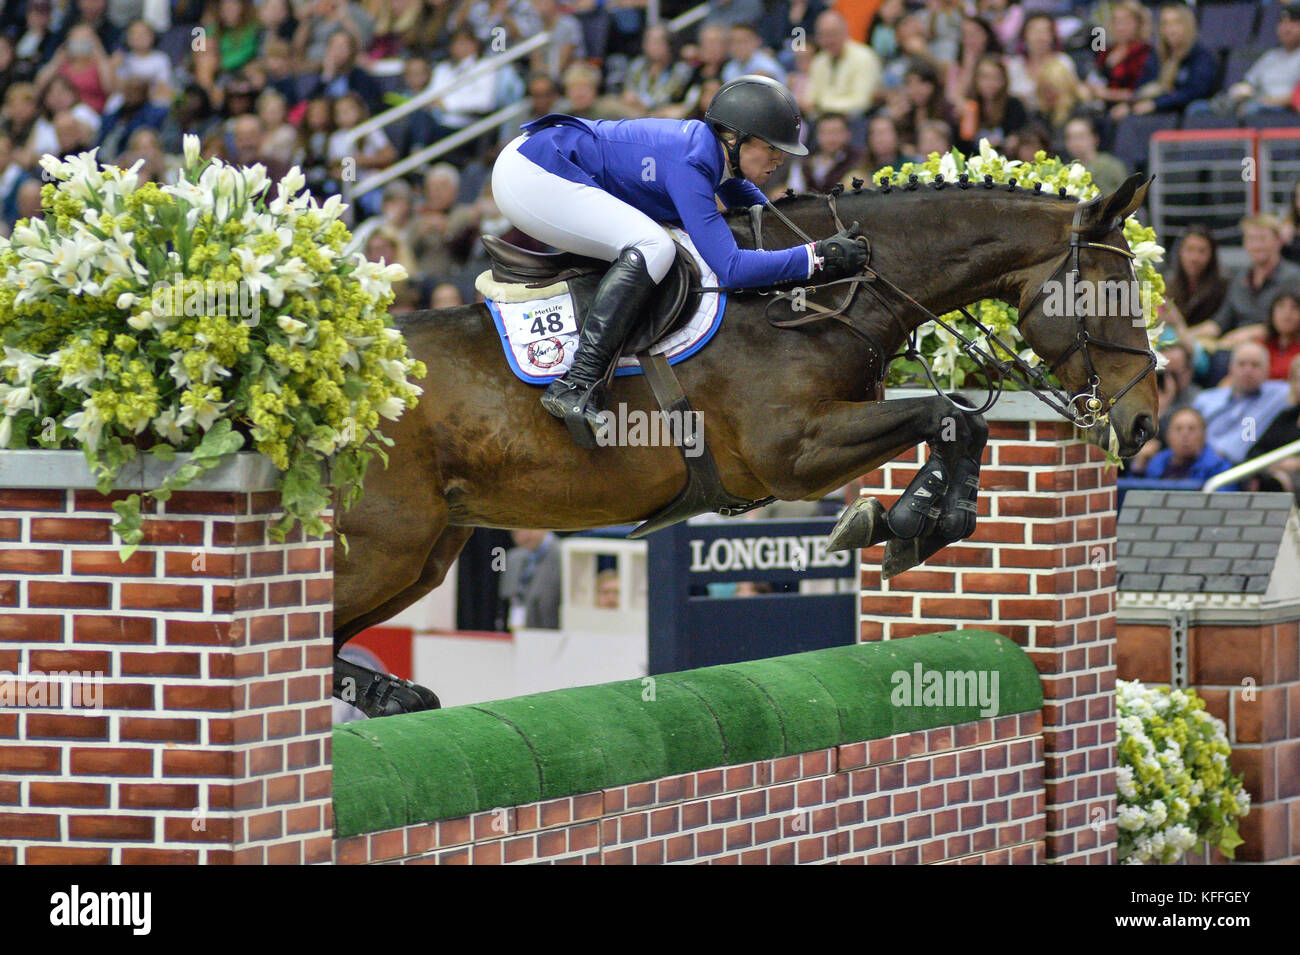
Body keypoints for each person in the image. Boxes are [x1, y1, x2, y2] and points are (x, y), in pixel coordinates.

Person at [491, 74, 869, 447]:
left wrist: (797, 232)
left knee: (654, 243)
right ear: (734, 139)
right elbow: (732, 269)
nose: (780, 158)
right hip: (534, 173)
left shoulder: (711, 151)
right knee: (655, 246)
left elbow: (744, 193)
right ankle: (578, 381)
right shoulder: (690, 161)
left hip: (545, 161)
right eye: (771, 148)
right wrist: (815, 258)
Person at [1199, 215, 1300, 347]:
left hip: (1275, 347)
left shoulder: (1293, 278)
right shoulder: (1240, 278)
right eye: (1251, 239)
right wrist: (1184, 334)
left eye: (1262, 239)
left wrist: (1246, 334)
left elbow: (1289, 324)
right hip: (1235, 346)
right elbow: (1220, 322)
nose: (1257, 245)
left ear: (1278, 242)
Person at [1192, 342, 1292, 464]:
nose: (1248, 370)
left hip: (1241, 470)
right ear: (1230, 368)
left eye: (1255, 365)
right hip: (1200, 464)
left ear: (1267, 370)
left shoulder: (1280, 395)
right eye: (1241, 364)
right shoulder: (1205, 399)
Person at [1119, 2, 1216, 117]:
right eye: (1166, 24)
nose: (1171, 29)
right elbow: (1142, 87)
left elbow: (1197, 91)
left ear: (1188, 25)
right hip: (1156, 113)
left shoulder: (1201, 56)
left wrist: (1156, 104)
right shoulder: (1157, 57)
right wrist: (1129, 105)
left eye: (1176, 23)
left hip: (1183, 112)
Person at [800, 9, 882, 121]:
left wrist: (822, 104)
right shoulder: (819, 61)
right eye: (823, 35)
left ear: (845, 32)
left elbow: (861, 103)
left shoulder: (864, 57)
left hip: (857, 122)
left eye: (833, 34)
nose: (828, 40)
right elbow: (810, 100)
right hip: (822, 123)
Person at [1223, 2, 1300, 119]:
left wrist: (1264, 102)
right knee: (1201, 109)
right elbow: (1249, 83)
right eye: (1282, 23)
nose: (1286, 29)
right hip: (1260, 105)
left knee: (1253, 110)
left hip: (1285, 111)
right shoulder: (1270, 57)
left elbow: (1295, 97)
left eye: (1293, 23)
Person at [1080, 0, 1155, 115]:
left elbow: (1142, 91)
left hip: (1129, 109)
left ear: (1138, 23)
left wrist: (1106, 94)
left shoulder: (1145, 52)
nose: (1120, 27)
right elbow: (1097, 76)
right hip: (1099, 106)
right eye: (1116, 21)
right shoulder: (1106, 50)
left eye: (1125, 22)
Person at [1242, 353, 1300, 498]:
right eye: (1298, 379)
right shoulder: (1287, 416)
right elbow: (1255, 451)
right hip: (1277, 479)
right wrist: (1276, 466)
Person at [1141, 407, 1234, 484]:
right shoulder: (1156, 463)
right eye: (1178, 429)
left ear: (1203, 435)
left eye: (1192, 429)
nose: (1185, 435)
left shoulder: (1219, 467)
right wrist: (1137, 469)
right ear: (1168, 436)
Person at [1165, 224, 1229, 332]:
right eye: (1190, 250)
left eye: (1202, 251)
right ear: (1180, 252)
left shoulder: (1224, 287)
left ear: (1212, 255)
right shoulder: (1167, 284)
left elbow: (1220, 324)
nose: (1194, 258)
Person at [500, 529, 562, 630]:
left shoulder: (563, 555)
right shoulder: (513, 558)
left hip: (552, 635)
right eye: (516, 531)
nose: (522, 535)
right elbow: (506, 601)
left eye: (527, 529)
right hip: (518, 634)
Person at [1062, 114, 1127, 196]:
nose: (1075, 143)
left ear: (1094, 138)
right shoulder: (1065, 171)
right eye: (1070, 138)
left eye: (1080, 136)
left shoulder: (1110, 165)